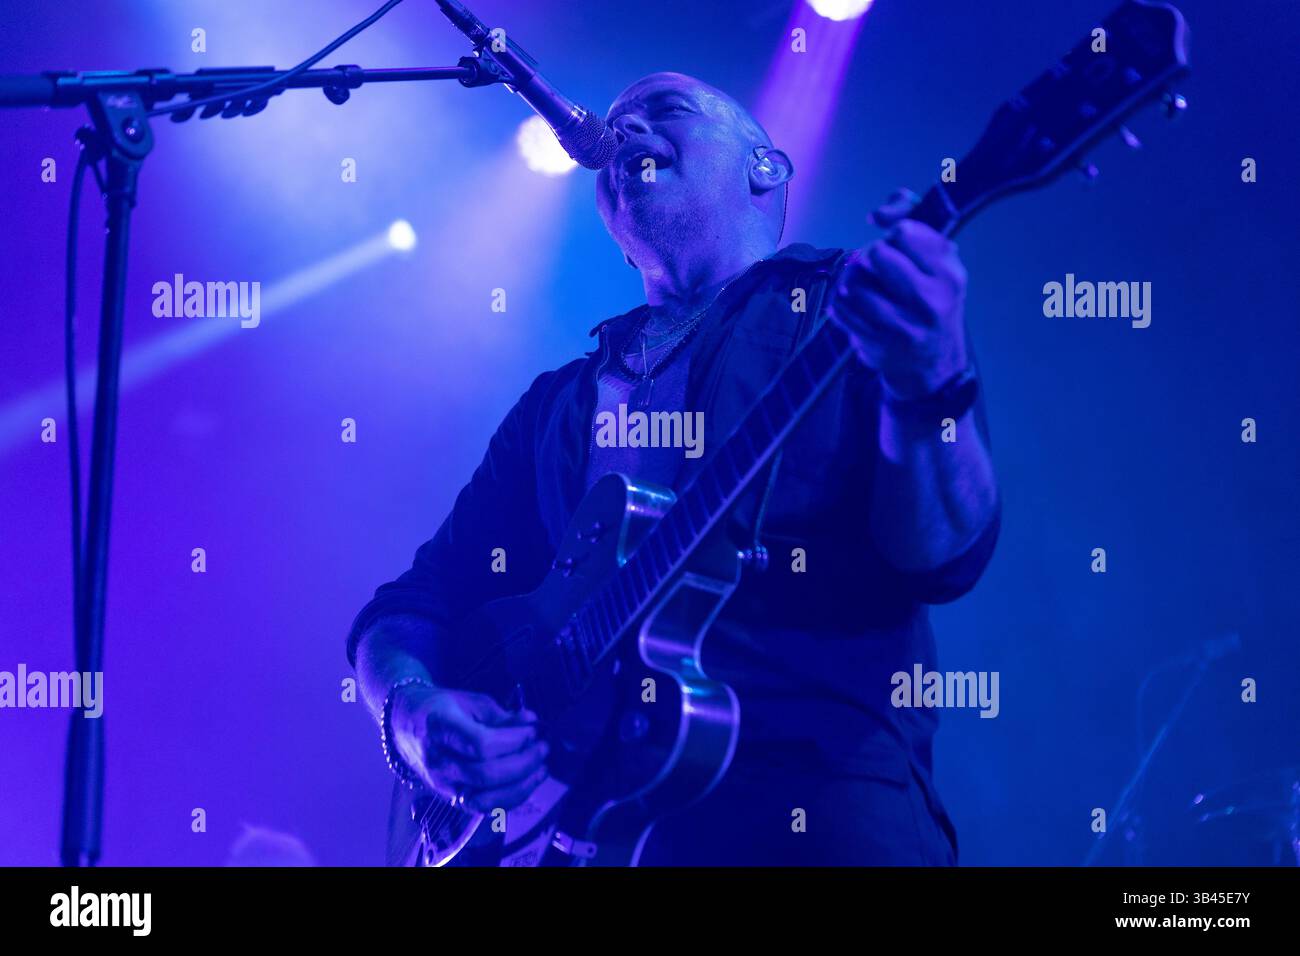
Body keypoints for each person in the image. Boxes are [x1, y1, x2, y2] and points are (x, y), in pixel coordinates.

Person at [348, 72, 1000, 865]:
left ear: (767, 167)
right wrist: (411, 717)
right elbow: (420, 600)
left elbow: (942, 557)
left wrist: (930, 379)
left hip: (813, 815)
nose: (624, 133)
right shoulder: (558, 405)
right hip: (586, 838)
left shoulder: (848, 309)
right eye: (615, 123)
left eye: (667, 111)